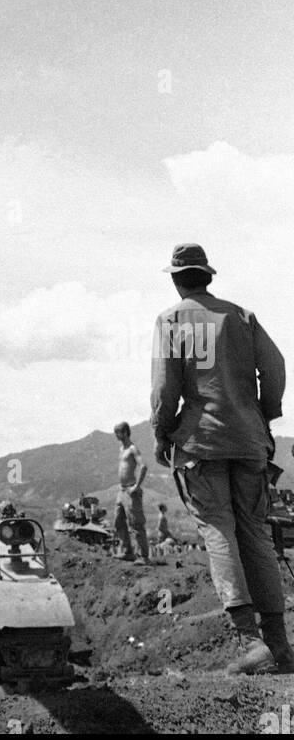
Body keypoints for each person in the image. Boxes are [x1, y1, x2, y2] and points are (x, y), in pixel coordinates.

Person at [151, 242, 294, 674]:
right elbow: (276, 367)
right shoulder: (242, 316)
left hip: (201, 444)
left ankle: (249, 643)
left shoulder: (171, 320)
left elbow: (164, 389)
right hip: (249, 441)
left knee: (219, 533)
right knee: (255, 535)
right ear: (207, 276)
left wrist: (162, 432)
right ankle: (280, 647)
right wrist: (263, 412)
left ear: (177, 280)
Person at [113, 422, 150, 564]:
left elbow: (143, 466)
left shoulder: (133, 449)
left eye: (118, 432)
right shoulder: (121, 448)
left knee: (136, 523)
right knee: (118, 520)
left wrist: (137, 486)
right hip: (121, 490)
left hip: (130, 490)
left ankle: (144, 556)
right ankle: (127, 551)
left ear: (125, 433)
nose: (116, 435)